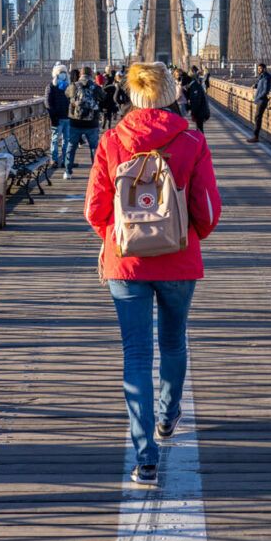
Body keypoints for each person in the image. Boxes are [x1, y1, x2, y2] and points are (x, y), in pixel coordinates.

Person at [85, 62, 221, 488]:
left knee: (136, 355)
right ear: (170, 94)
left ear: (133, 96)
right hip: (179, 260)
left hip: (125, 263)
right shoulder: (192, 140)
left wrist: (116, 236)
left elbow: (93, 210)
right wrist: (187, 234)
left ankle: (146, 459)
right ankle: (167, 418)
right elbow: (209, 212)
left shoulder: (110, 140)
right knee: (174, 341)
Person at [63, 66, 105, 179]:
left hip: (75, 122)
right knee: (94, 148)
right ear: (91, 74)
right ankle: (95, 173)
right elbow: (103, 97)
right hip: (92, 123)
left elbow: (66, 95)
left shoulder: (73, 86)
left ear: (80, 74)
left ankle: (68, 172)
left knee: (71, 146)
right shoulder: (95, 87)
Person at [44, 64, 70, 167]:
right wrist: (53, 116)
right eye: (61, 72)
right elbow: (48, 103)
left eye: (64, 72)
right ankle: (54, 160)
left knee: (66, 141)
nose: (63, 74)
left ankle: (65, 160)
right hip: (58, 118)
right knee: (55, 140)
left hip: (67, 118)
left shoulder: (68, 86)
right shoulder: (51, 86)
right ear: (56, 74)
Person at [246, 62, 271, 143]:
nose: (258, 70)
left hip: (262, 100)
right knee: (257, 118)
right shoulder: (262, 77)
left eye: (260, 69)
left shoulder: (267, 77)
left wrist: (258, 97)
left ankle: (256, 137)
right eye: (258, 69)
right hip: (260, 100)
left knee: (257, 118)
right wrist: (255, 85)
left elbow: (265, 90)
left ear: (264, 69)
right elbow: (260, 84)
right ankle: (255, 136)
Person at [185, 68, 210, 133]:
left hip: (200, 111)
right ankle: (201, 141)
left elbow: (196, 101)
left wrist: (193, 113)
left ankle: (202, 142)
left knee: (199, 129)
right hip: (201, 110)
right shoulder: (195, 84)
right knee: (199, 128)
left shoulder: (194, 86)